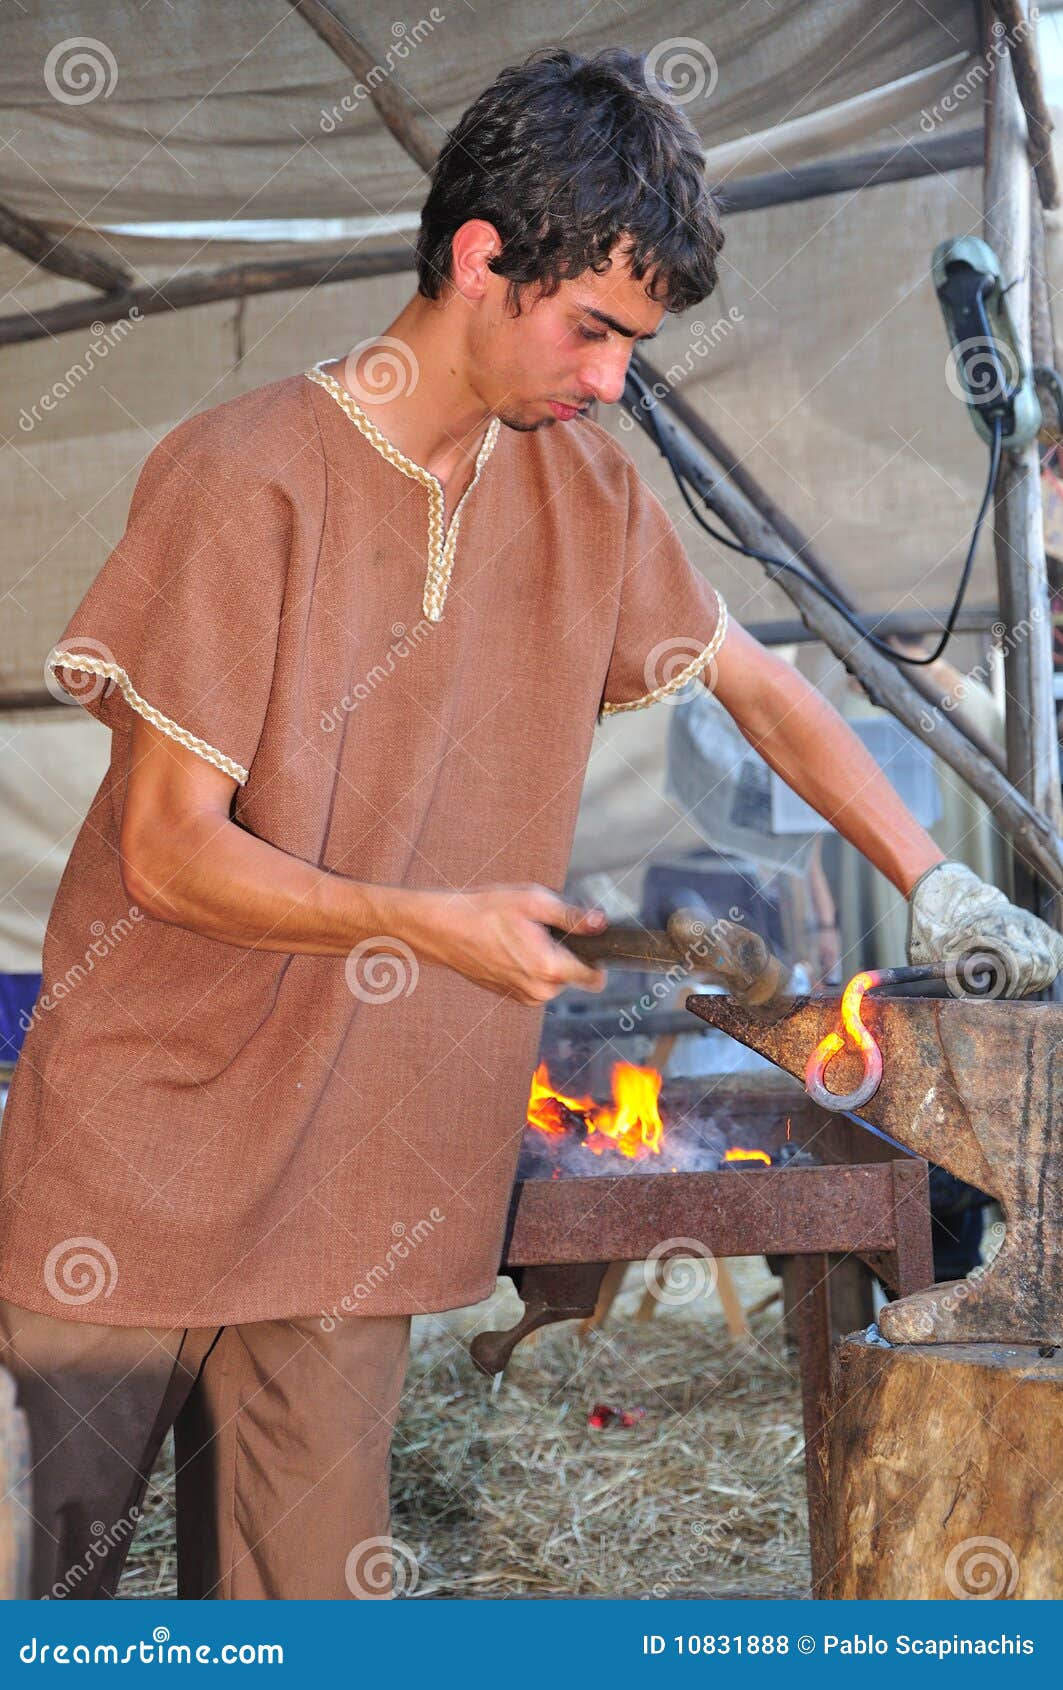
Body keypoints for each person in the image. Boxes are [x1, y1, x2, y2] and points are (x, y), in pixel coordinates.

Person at [1, 46, 1059, 1602]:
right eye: (596, 329)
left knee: (308, 1621)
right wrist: (429, 920)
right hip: (141, 1156)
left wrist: (944, 882)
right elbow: (166, 849)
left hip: (357, 1180)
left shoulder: (587, 496)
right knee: (43, 1591)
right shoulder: (243, 478)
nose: (615, 377)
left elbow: (758, 685)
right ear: (484, 260)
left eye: (633, 341)